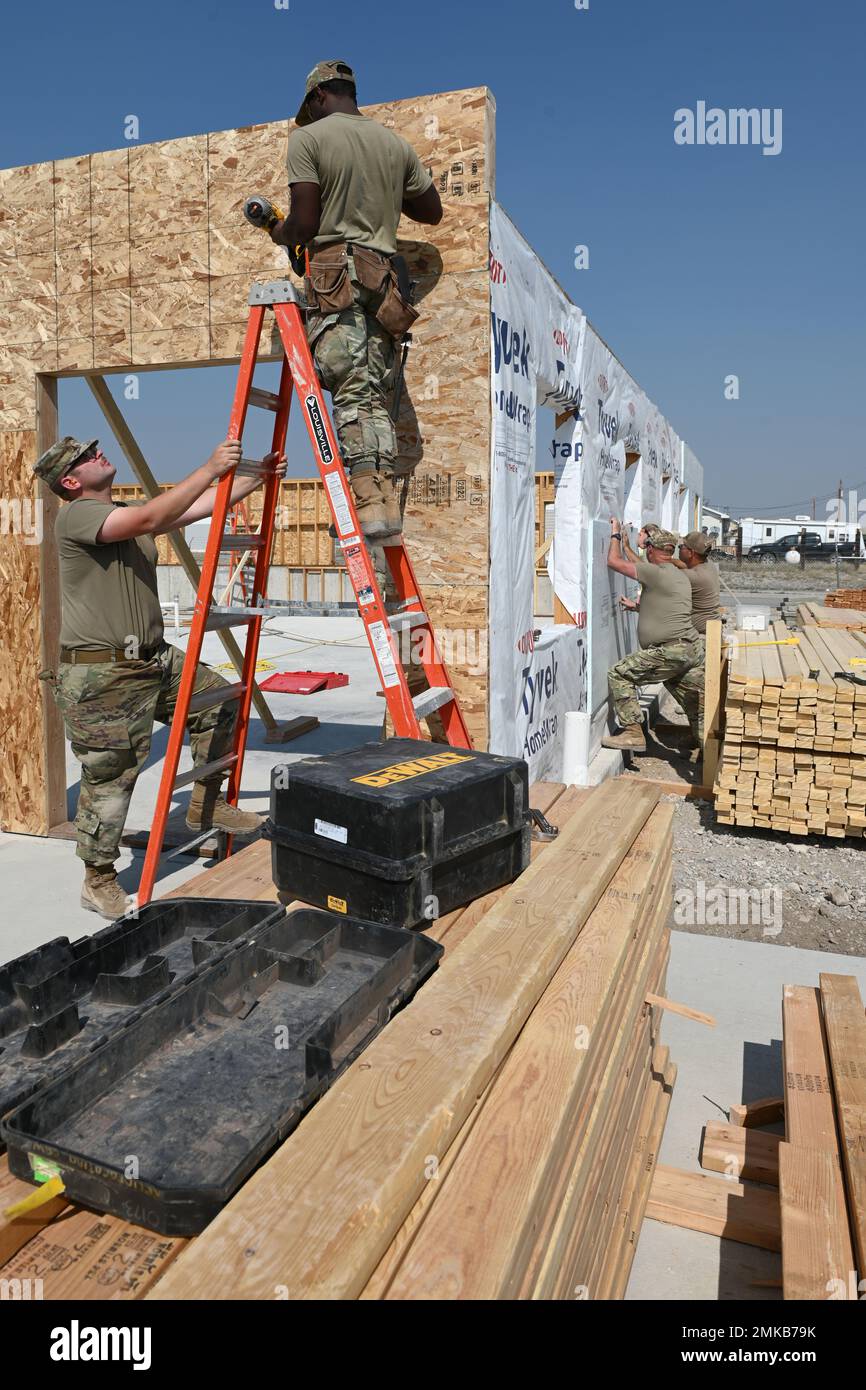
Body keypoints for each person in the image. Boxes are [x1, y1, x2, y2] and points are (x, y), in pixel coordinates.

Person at [33, 435, 286, 919]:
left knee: (220, 699)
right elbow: (151, 519)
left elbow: (192, 509)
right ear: (71, 481)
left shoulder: (123, 513)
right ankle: (98, 878)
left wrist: (257, 478)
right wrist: (209, 466)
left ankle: (205, 803)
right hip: (104, 672)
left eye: (93, 450)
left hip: (152, 658)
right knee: (110, 777)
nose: (96, 454)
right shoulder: (76, 516)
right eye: (85, 458)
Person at [269, 59, 443, 585]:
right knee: (372, 391)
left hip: (335, 275)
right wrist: (381, 189)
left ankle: (366, 505)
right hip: (381, 279)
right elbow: (430, 211)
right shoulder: (394, 145)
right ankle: (382, 503)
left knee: (350, 389)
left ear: (319, 96)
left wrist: (279, 232)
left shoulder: (308, 139)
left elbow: (304, 221)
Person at [604, 518, 704, 752]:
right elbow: (666, 606)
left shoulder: (656, 573)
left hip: (671, 650)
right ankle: (706, 744)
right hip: (689, 649)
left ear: (650, 549)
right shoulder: (678, 574)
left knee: (619, 674)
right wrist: (638, 607)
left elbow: (613, 561)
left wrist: (616, 535)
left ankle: (632, 733)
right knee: (691, 700)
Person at [678, 530, 721, 634]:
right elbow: (684, 565)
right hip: (711, 623)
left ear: (691, 553)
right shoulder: (708, 564)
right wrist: (671, 560)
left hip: (701, 631)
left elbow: (656, 573)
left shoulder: (692, 576)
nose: (679, 548)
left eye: (681, 546)